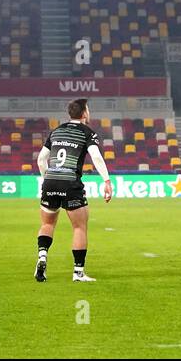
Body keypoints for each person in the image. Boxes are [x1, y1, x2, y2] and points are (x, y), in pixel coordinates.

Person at [35, 98, 113, 283]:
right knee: (79, 227)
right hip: (70, 183)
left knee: (47, 225)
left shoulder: (56, 131)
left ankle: (42, 257)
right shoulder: (88, 133)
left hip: (50, 181)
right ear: (84, 113)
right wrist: (107, 180)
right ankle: (78, 273)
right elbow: (96, 156)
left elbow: (40, 160)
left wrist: (48, 178)